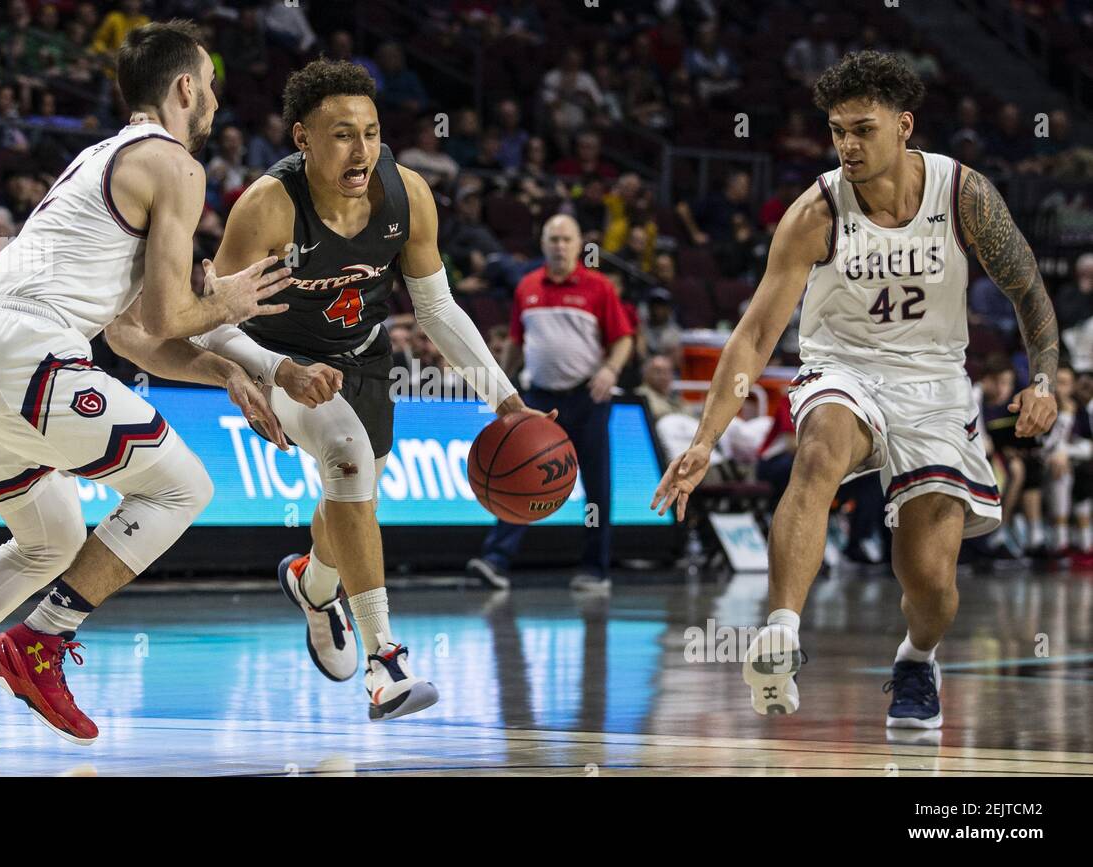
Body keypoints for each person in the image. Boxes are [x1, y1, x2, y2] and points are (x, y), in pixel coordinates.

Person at [0, 20, 330, 746]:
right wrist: (230, 302)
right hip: (24, 348)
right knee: (183, 487)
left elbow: (134, 333)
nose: (214, 103)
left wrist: (222, 369)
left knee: (49, 540)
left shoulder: (100, 158)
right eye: (209, 88)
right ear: (183, 88)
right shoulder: (176, 164)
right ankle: (40, 641)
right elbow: (176, 312)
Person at [652, 51, 1058, 730]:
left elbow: (1029, 291)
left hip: (933, 384)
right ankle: (779, 634)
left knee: (930, 583)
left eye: (862, 129)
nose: (847, 144)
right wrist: (704, 439)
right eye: (838, 130)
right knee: (819, 447)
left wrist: (1042, 378)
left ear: (904, 127)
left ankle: (916, 656)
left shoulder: (964, 194)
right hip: (843, 366)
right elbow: (753, 337)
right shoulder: (817, 210)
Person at [196, 59, 532, 721]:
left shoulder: (406, 194)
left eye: (372, 133)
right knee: (347, 455)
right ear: (302, 138)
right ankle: (386, 660)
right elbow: (209, 325)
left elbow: (435, 311)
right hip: (284, 356)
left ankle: (312, 581)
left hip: (365, 359)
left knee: (352, 491)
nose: (362, 149)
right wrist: (267, 373)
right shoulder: (265, 206)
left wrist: (507, 399)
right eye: (342, 134)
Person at [466, 214, 635, 593]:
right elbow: (515, 341)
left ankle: (595, 569)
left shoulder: (599, 287)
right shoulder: (526, 286)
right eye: (553, 239)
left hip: (587, 397)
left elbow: (624, 338)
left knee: (596, 486)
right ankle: (495, 561)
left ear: (579, 245)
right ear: (543, 244)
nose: (559, 246)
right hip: (539, 399)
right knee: (515, 476)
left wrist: (610, 370)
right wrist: (501, 387)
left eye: (566, 239)